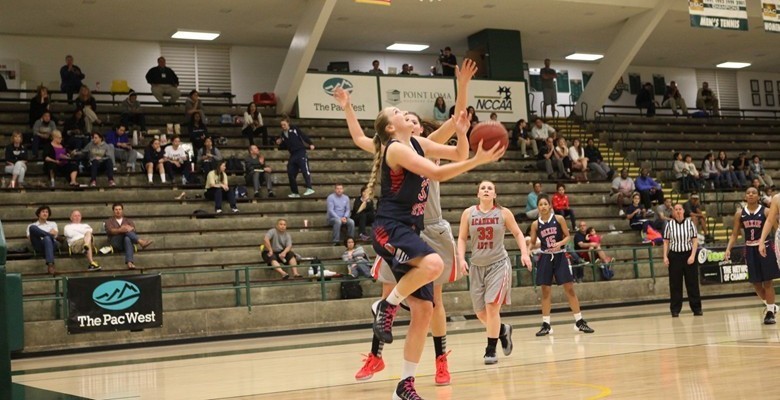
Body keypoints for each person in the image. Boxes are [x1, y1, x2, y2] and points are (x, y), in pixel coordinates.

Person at [334, 59, 503, 398]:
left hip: (414, 230)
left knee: (425, 309)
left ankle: (405, 383)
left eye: (409, 115)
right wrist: (478, 163)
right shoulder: (394, 148)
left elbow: (458, 150)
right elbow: (437, 172)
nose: (407, 115)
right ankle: (386, 308)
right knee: (432, 265)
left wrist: (462, 121)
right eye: (399, 112)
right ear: (391, 127)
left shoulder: (419, 144)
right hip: (390, 228)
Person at [457, 180, 532, 364]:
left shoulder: (503, 213)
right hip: (476, 266)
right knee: (481, 313)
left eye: (490, 188)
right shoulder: (468, 213)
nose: (486, 190)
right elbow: (462, 238)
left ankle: (490, 350)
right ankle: (502, 330)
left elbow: (518, 233)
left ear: (494, 194)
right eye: (483, 188)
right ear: (478, 194)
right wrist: (461, 259)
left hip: (498, 265)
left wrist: (524, 253)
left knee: (492, 307)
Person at [528, 195, 595, 336]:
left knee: (569, 288)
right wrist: (526, 250)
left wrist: (560, 243)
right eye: (540, 204)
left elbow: (568, 236)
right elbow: (533, 242)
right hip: (545, 257)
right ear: (538, 207)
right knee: (545, 291)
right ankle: (546, 324)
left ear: (550, 205)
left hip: (560, 256)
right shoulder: (535, 224)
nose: (543, 206)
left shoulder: (559, 219)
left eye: (545, 204)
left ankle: (579, 321)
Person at [725, 188, 780, 324]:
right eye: (748, 193)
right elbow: (734, 234)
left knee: (767, 281)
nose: (750, 194)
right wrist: (728, 249)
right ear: (745, 196)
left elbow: (776, 229)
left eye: (754, 193)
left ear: (758, 196)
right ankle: (771, 306)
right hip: (750, 248)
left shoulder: (766, 211)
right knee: (756, 283)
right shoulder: (740, 214)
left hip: (765, 247)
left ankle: (769, 312)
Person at [663, 203, 702, 317]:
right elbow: (666, 242)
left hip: (688, 255)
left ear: (683, 211)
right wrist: (665, 256)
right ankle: (675, 310)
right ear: (673, 212)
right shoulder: (669, 225)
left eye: (680, 209)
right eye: (676, 209)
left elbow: (695, 241)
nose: (678, 211)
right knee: (675, 284)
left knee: (692, 283)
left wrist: (692, 256)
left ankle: (697, 308)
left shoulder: (690, 224)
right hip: (674, 256)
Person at [105, 203, 153, 270]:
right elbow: (110, 231)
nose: (118, 211)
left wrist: (127, 229)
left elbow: (133, 230)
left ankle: (129, 263)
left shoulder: (128, 220)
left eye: (119, 209)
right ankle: (141, 242)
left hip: (126, 242)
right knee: (126, 230)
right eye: (116, 209)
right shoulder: (109, 221)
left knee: (127, 238)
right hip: (116, 242)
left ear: (122, 210)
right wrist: (121, 230)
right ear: (113, 211)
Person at [277, 116, 315, 198]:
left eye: (284, 124)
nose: (283, 126)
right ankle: (295, 192)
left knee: (305, 169)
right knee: (290, 172)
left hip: (300, 152)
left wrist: (310, 143)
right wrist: (280, 143)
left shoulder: (294, 129)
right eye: (281, 125)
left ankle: (309, 188)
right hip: (293, 154)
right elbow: (285, 146)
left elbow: (303, 135)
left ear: (288, 123)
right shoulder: (282, 134)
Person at [27, 205, 58, 275]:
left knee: (47, 238)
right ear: (39, 214)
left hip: (52, 244)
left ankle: (50, 264)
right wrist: (49, 234)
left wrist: (40, 234)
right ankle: (48, 236)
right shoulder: (32, 225)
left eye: (47, 212)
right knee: (32, 228)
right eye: (43, 212)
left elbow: (55, 234)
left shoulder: (53, 224)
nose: (45, 213)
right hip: (39, 245)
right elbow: (30, 238)